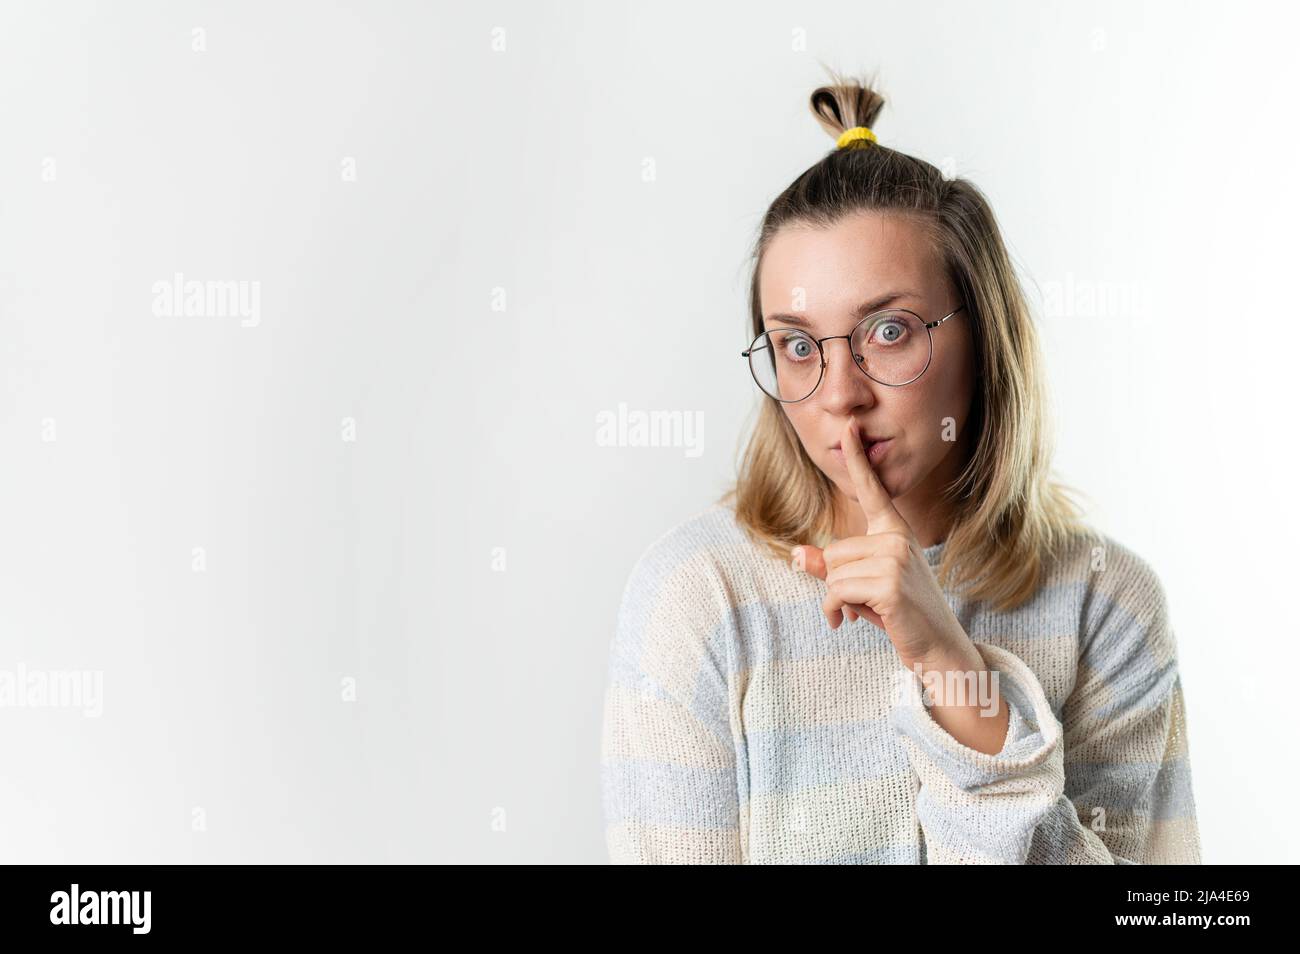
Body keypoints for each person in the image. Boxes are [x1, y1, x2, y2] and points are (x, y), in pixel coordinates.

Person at [599, 69, 1201, 864]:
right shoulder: (696, 600)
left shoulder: (1108, 608)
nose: (840, 397)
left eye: (888, 332)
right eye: (799, 346)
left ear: (983, 336)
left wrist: (954, 672)